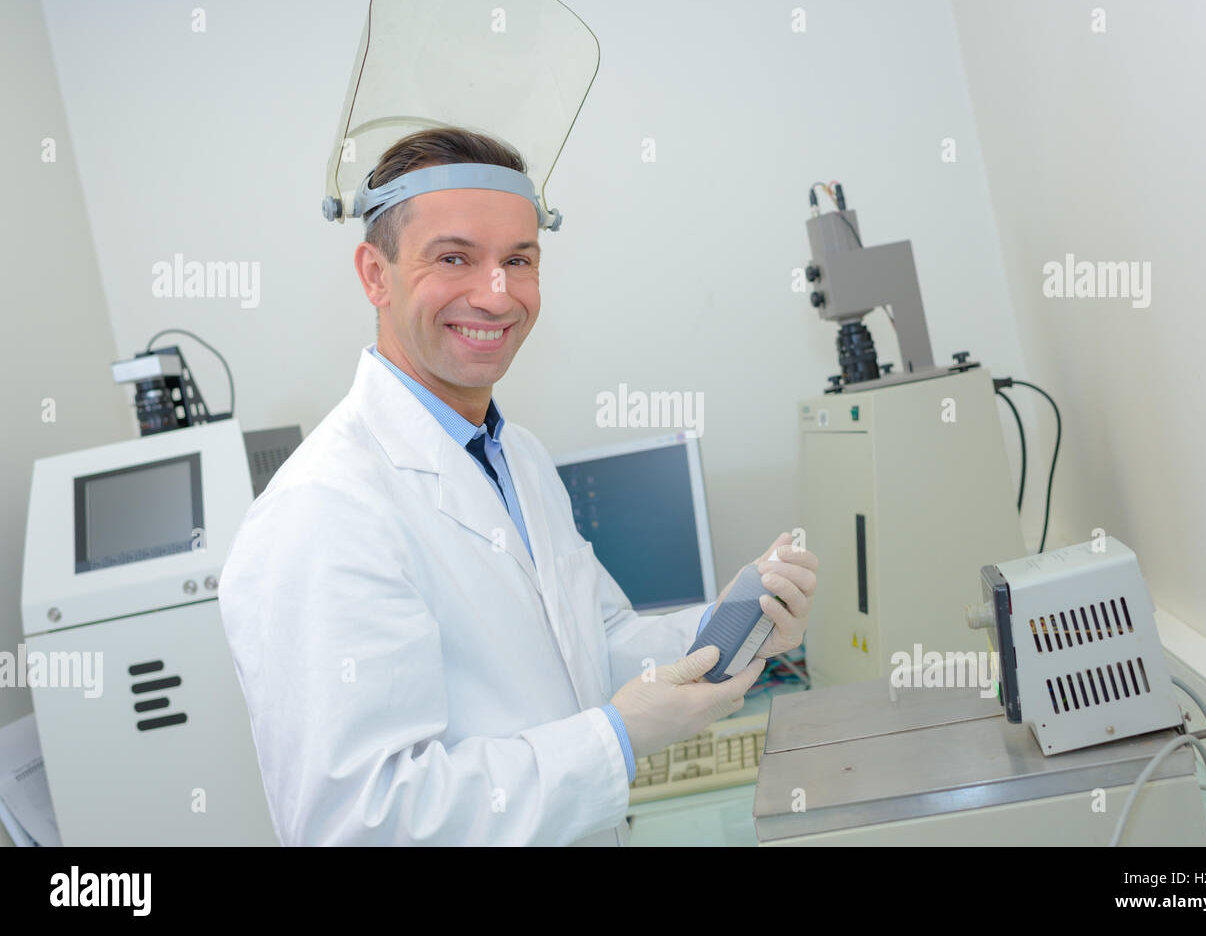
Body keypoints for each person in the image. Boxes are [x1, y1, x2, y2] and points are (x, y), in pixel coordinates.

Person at [217, 126, 818, 845]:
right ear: (375, 274)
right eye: (454, 258)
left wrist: (722, 625)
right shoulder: (320, 509)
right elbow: (363, 822)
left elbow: (596, 639)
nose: (496, 296)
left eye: (518, 260)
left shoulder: (516, 457)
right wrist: (615, 739)